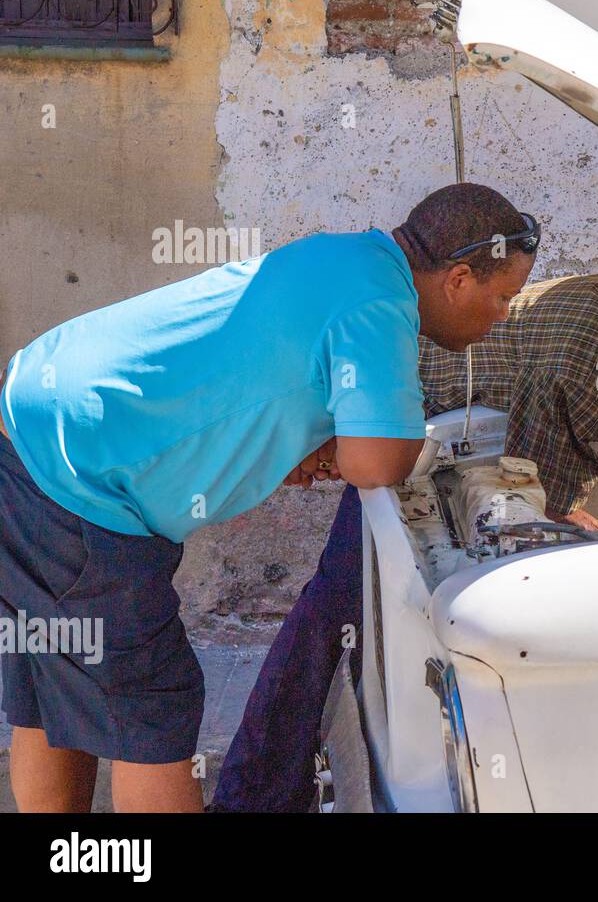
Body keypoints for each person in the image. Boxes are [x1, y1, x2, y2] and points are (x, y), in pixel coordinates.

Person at [0, 183, 537, 812]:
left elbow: (264, 372)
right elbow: (378, 462)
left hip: (33, 419)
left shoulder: (348, 257)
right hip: (80, 476)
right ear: (459, 278)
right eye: (502, 297)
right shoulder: (381, 305)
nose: (503, 316)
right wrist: (339, 445)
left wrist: (296, 442)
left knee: (54, 687)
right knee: (152, 709)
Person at [212, 256, 598, 811]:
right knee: (333, 610)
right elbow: (532, 539)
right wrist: (571, 521)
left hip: (462, 419)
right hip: (410, 414)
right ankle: (250, 800)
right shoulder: (586, 368)